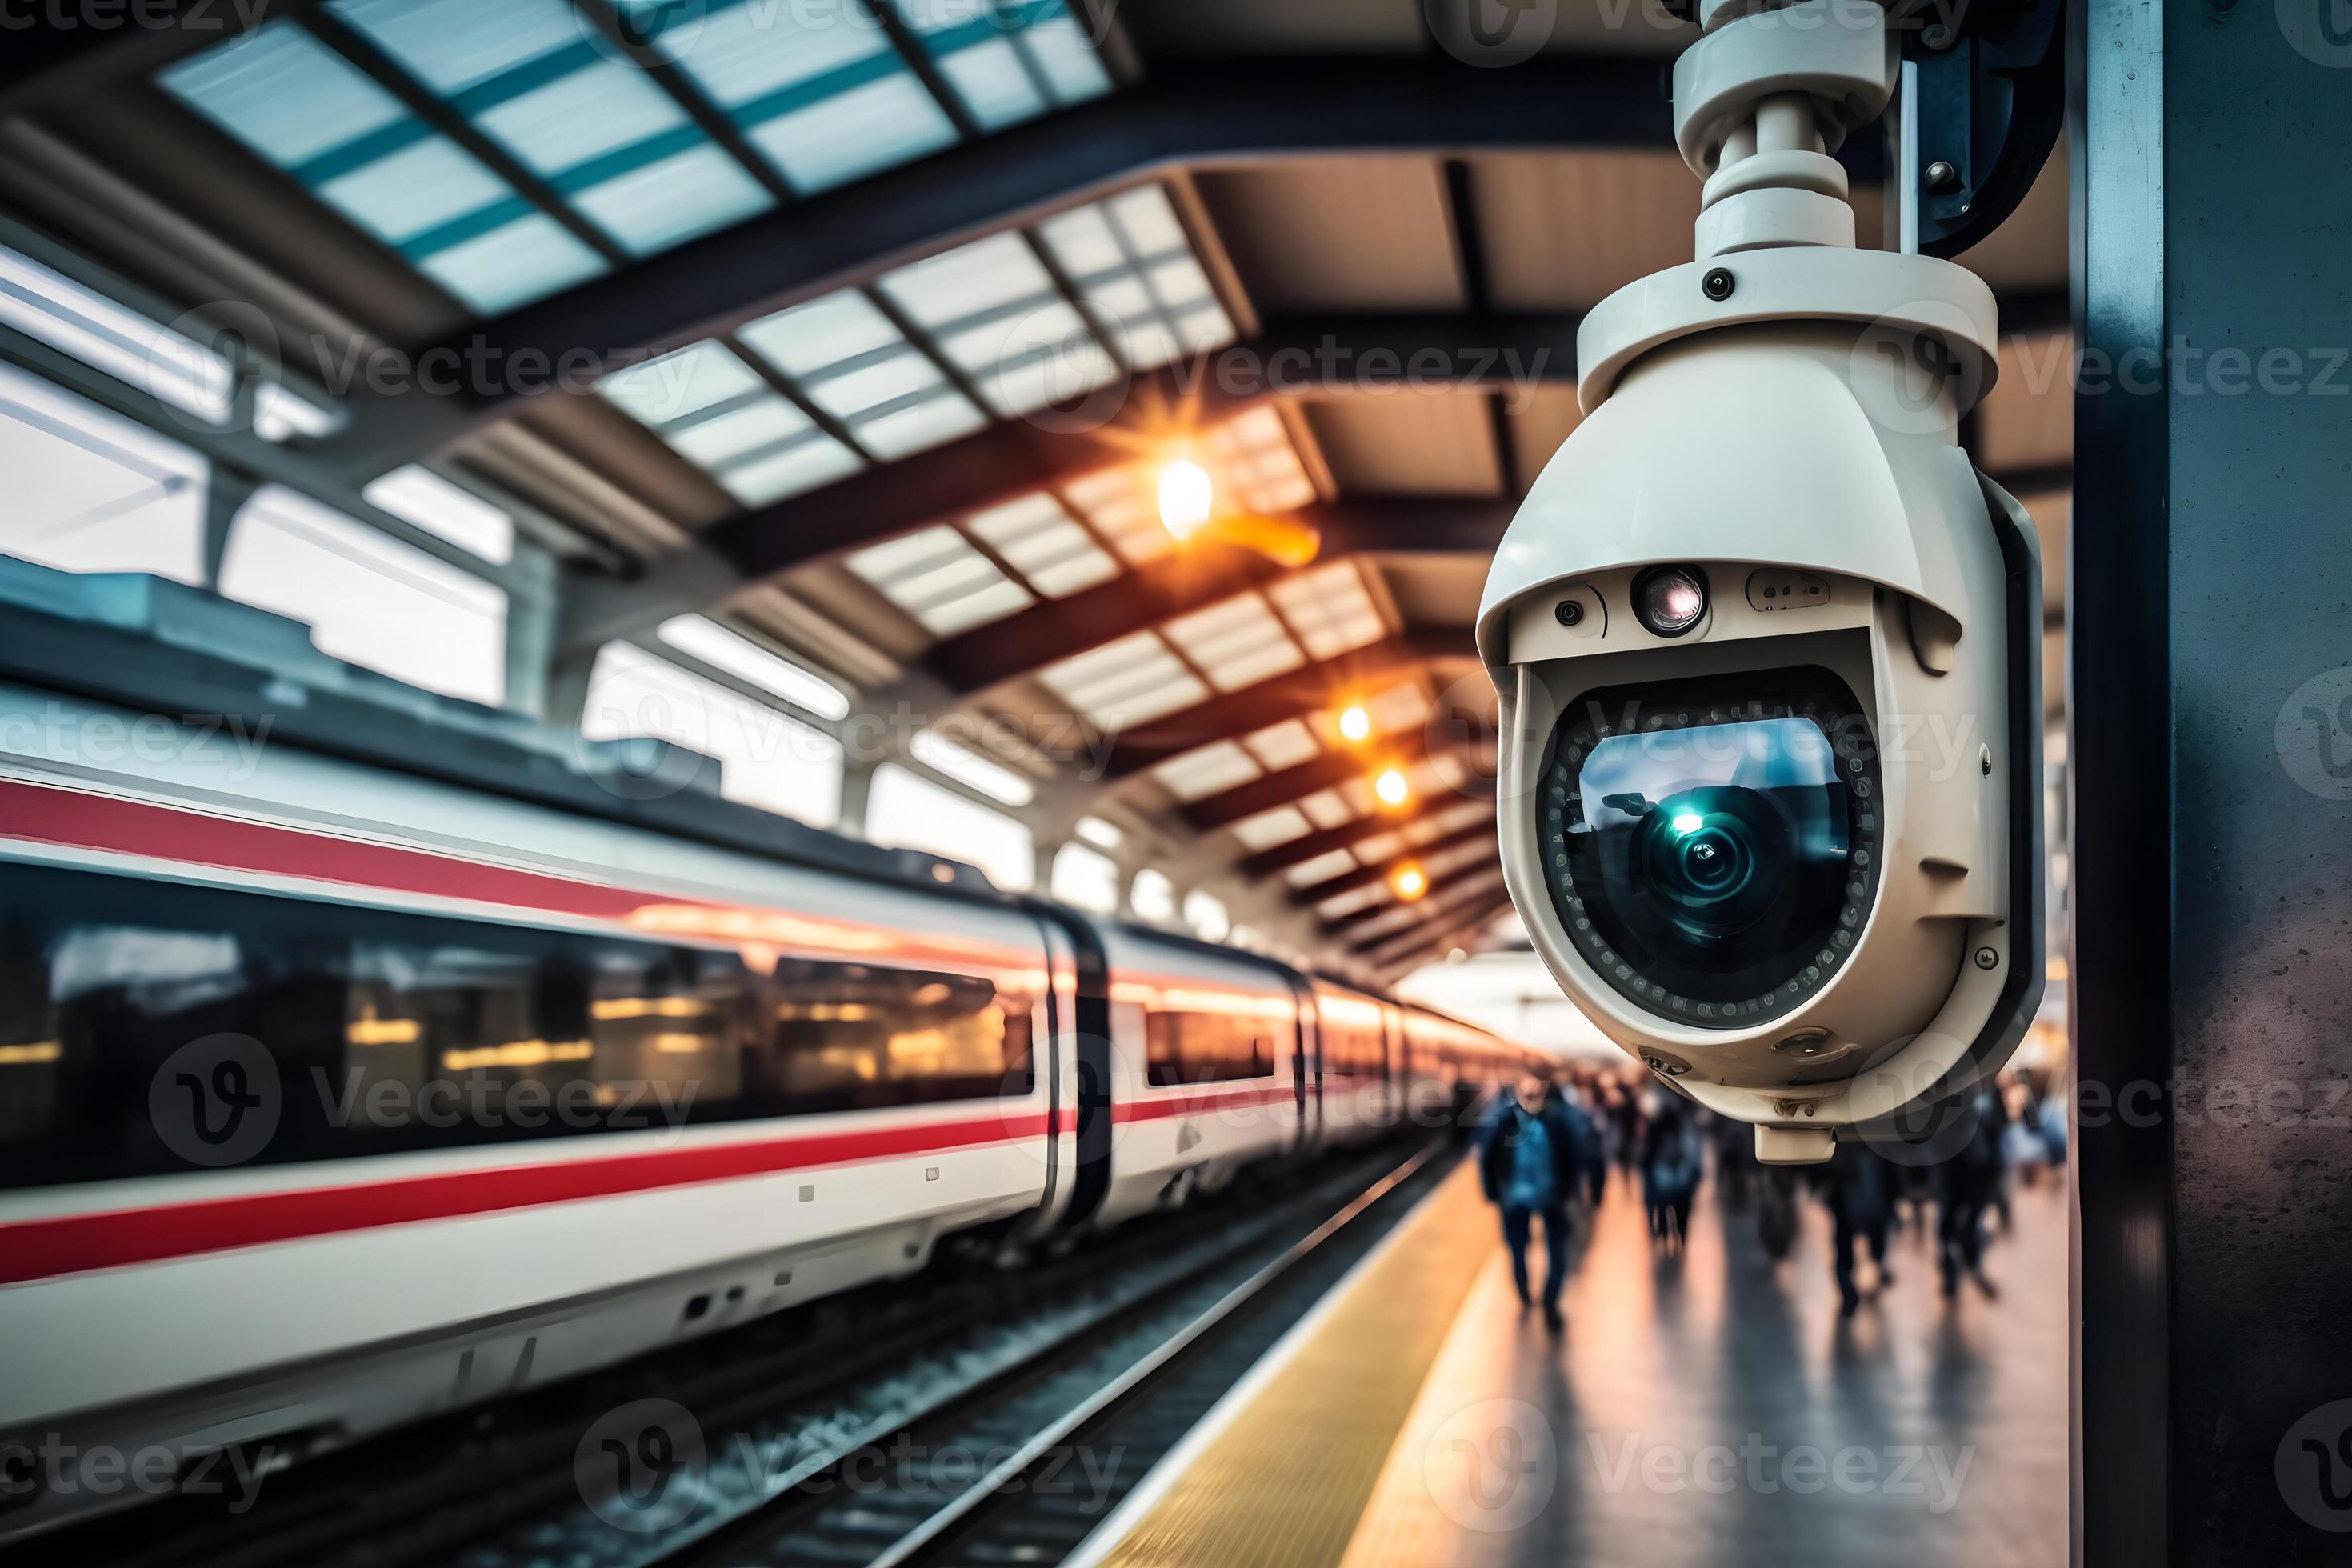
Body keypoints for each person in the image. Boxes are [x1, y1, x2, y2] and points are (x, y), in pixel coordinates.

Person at [1478, 1070, 1587, 1330]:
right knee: (1553, 1250)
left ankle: (1529, 1296)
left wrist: (1493, 1192)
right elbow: (1575, 1155)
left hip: (1518, 1196)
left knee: (1521, 1248)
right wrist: (1571, 1191)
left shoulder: (1503, 1118)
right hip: (1546, 1195)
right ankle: (1545, 1301)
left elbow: (1487, 1157)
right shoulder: (1558, 1119)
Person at [1816, 1142, 1896, 1316]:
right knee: (1845, 1249)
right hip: (1850, 1199)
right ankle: (1848, 1294)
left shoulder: (1879, 1148)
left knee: (1866, 1242)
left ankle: (1851, 1290)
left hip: (1869, 1198)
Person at [1638, 1088, 1702, 1251]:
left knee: (1662, 1208)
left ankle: (1665, 1236)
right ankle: (1681, 1238)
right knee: (1682, 1210)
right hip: (1681, 1174)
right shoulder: (1687, 1124)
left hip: (1662, 1173)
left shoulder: (1656, 1122)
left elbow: (1647, 1151)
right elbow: (1694, 1152)